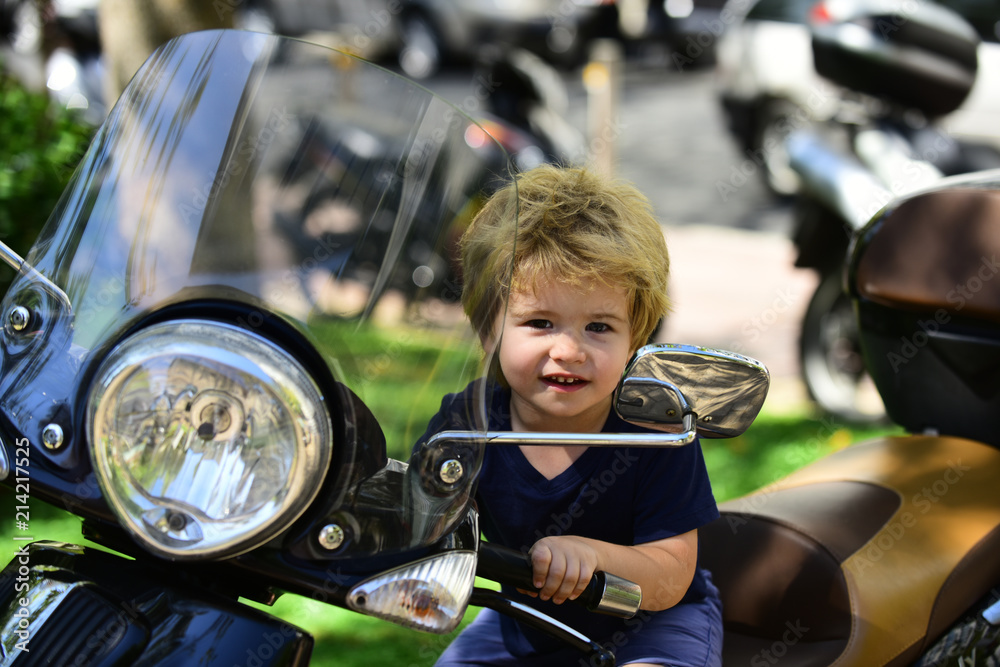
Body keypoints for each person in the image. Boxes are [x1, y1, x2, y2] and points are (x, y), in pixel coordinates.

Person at [420, 164, 723, 667]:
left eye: (599, 327)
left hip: (652, 625)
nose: (569, 351)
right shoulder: (466, 424)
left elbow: (672, 575)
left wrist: (593, 556)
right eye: (540, 322)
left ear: (635, 338)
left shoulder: (656, 429)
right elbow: (419, 521)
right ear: (489, 328)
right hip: (527, 623)